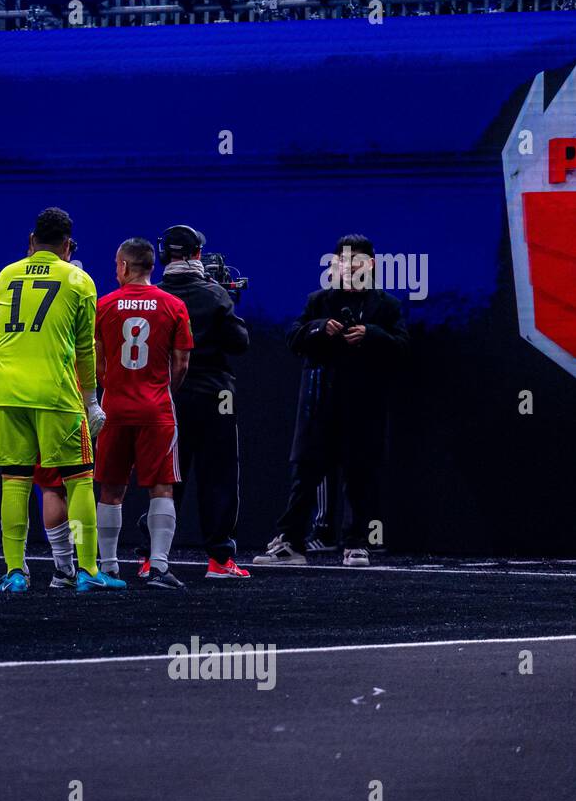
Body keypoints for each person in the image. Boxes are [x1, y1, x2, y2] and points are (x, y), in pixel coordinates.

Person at [0, 208, 122, 593]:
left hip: (8, 394)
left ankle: (15, 572)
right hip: (56, 394)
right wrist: (92, 399)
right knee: (78, 480)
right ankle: (89, 570)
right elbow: (85, 349)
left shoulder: (6, 275)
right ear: (67, 245)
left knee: (15, 481)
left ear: (32, 240)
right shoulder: (79, 279)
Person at [253, 234, 409, 568]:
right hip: (318, 403)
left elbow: (402, 348)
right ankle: (290, 543)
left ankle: (355, 543)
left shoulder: (385, 306)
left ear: (371, 266)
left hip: (363, 406)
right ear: (334, 266)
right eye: (344, 264)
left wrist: (371, 334)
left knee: (359, 476)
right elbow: (293, 338)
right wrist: (320, 328)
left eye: (357, 264)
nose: (350, 270)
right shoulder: (318, 301)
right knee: (305, 477)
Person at [94, 238, 193, 590]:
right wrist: (162, 389)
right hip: (157, 408)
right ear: (151, 266)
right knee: (161, 487)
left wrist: (115, 387)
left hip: (114, 408)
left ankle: (108, 567)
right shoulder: (174, 305)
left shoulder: (104, 305)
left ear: (122, 266)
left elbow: (98, 362)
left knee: (110, 489)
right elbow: (181, 363)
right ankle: (159, 567)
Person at [153, 224, 251, 580]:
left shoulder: (156, 294)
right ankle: (220, 560)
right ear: (196, 254)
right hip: (214, 395)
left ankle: (153, 557)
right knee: (219, 478)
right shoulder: (214, 295)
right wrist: (225, 301)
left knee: (164, 478)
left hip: (167, 397)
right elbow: (239, 342)